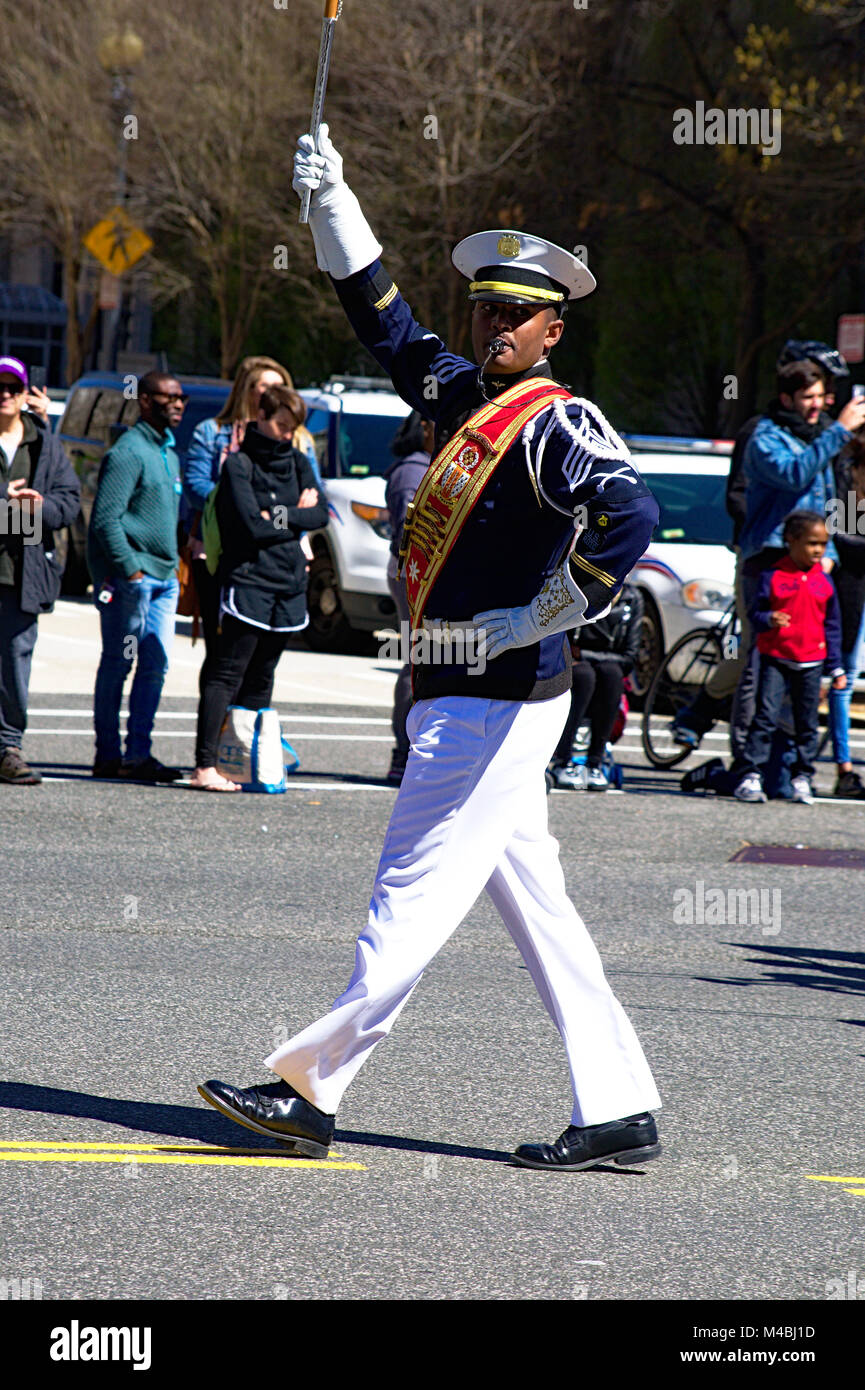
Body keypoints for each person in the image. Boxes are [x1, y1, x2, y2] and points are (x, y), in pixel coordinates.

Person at [198, 124, 663, 1173]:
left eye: (517, 318)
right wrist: (333, 204)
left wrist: (549, 611)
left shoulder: (558, 423)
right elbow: (380, 316)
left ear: (552, 331)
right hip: (463, 689)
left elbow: (627, 520)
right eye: (487, 312)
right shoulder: (461, 395)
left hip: (498, 692)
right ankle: (619, 1098)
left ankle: (312, 1091)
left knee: (406, 891)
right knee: (537, 905)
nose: (494, 328)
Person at [673, 342, 853, 757]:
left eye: (822, 396)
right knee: (758, 651)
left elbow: (833, 499)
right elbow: (766, 484)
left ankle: (783, 753)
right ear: (788, 395)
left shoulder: (826, 434)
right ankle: (705, 717)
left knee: (800, 653)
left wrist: (832, 554)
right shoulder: (762, 432)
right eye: (810, 397)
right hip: (767, 554)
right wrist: (751, 531)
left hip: (810, 561)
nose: (819, 405)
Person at [190, 384, 328, 791]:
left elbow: (319, 513)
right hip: (248, 579)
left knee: (263, 673)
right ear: (261, 416)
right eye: (282, 426)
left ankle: (242, 760)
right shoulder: (239, 463)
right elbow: (250, 524)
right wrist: (294, 515)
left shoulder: (300, 460)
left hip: (289, 582)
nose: (288, 435)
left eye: (294, 427)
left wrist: (281, 515)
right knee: (227, 672)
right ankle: (205, 765)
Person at [182, 355, 323, 695]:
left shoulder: (299, 440)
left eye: (280, 388)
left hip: (284, 556)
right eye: (266, 387)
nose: (274, 393)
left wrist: (270, 512)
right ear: (249, 391)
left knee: (262, 662)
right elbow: (197, 487)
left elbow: (317, 505)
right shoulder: (214, 432)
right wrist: (240, 503)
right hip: (223, 549)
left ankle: (243, 734)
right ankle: (216, 736)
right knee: (223, 654)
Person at [88, 371, 186, 782]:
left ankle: (138, 754)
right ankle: (108, 754)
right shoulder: (128, 452)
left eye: (181, 397)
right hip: (134, 581)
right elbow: (105, 521)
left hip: (164, 580)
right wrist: (130, 570)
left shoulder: (169, 451)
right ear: (145, 400)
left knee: (154, 666)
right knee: (119, 663)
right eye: (170, 397)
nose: (179, 404)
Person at [0, 355, 80, 785]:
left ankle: (8, 747)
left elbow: (69, 502)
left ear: (24, 392)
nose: (5, 395)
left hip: (23, 571)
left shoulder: (45, 444)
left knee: (15, 662)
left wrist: (39, 507)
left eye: (13, 387)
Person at [733, 511, 844, 804]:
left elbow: (832, 626)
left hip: (812, 661)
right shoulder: (774, 575)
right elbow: (754, 614)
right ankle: (751, 775)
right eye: (811, 543)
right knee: (765, 717)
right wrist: (769, 618)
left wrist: (836, 667)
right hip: (776, 658)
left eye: (823, 544)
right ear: (790, 541)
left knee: (806, 722)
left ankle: (803, 776)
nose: (818, 550)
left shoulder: (824, 581)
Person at [548, 582, 643, 791]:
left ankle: (595, 762)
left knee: (612, 674)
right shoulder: (582, 583)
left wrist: (584, 655)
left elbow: (629, 657)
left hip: (603, 661)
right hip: (573, 662)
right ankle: (562, 759)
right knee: (584, 676)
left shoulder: (632, 598)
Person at [382, 410, 433, 784]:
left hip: (422, 574)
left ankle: (412, 751)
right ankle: (403, 753)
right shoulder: (413, 469)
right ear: (426, 428)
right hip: (412, 574)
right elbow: (408, 534)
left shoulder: (426, 464)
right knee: (416, 661)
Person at [828, 432, 865, 798]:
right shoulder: (843, 469)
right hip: (852, 582)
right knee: (845, 674)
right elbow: (835, 533)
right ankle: (845, 768)